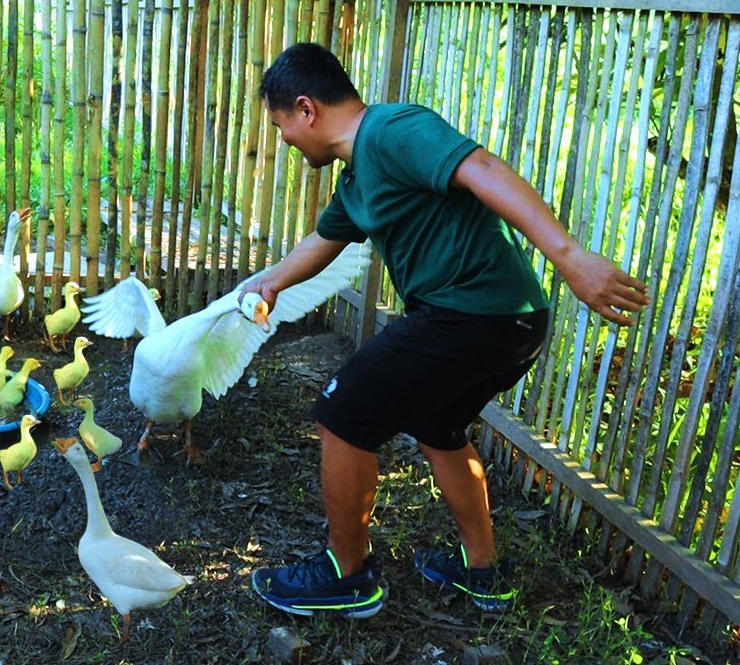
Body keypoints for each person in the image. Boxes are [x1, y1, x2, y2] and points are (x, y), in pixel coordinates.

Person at [242, 42, 650, 617]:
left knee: (342, 414)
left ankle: (344, 574)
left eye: (281, 123)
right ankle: (482, 571)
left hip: (471, 314)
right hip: (506, 320)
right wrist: (270, 284)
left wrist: (569, 256)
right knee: (439, 426)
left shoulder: (391, 128)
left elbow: (480, 168)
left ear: (305, 109)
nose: (283, 139)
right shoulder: (358, 178)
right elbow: (324, 238)